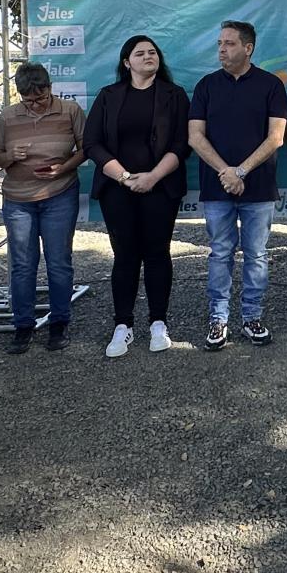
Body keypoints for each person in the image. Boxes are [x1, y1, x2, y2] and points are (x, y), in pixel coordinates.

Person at [84, 36, 190, 357]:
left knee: (157, 253)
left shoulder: (175, 95)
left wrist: (154, 177)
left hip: (162, 187)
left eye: (152, 52)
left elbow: (182, 143)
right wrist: (127, 177)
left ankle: (159, 323)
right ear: (126, 62)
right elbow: (92, 143)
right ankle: (123, 326)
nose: (148, 57)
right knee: (125, 254)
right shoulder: (109, 96)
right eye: (140, 53)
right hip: (118, 188)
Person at [188, 20, 287, 350]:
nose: (221, 49)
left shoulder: (271, 85)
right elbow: (195, 137)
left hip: (257, 189)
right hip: (218, 188)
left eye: (229, 43)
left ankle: (252, 317)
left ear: (248, 48)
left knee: (257, 255)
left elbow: (276, 138)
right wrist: (226, 173)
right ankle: (218, 320)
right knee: (220, 253)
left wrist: (241, 172)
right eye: (219, 43)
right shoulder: (206, 86)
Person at [0, 61, 88, 354]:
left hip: (59, 193)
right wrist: (10, 155)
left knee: (58, 261)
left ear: (50, 88)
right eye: (28, 99)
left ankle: (59, 322)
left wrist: (64, 168)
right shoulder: (8, 116)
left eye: (40, 97)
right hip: (18, 199)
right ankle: (23, 325)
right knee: (22, 264)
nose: (34, 104)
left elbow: (87, 148)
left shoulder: (70, 111)